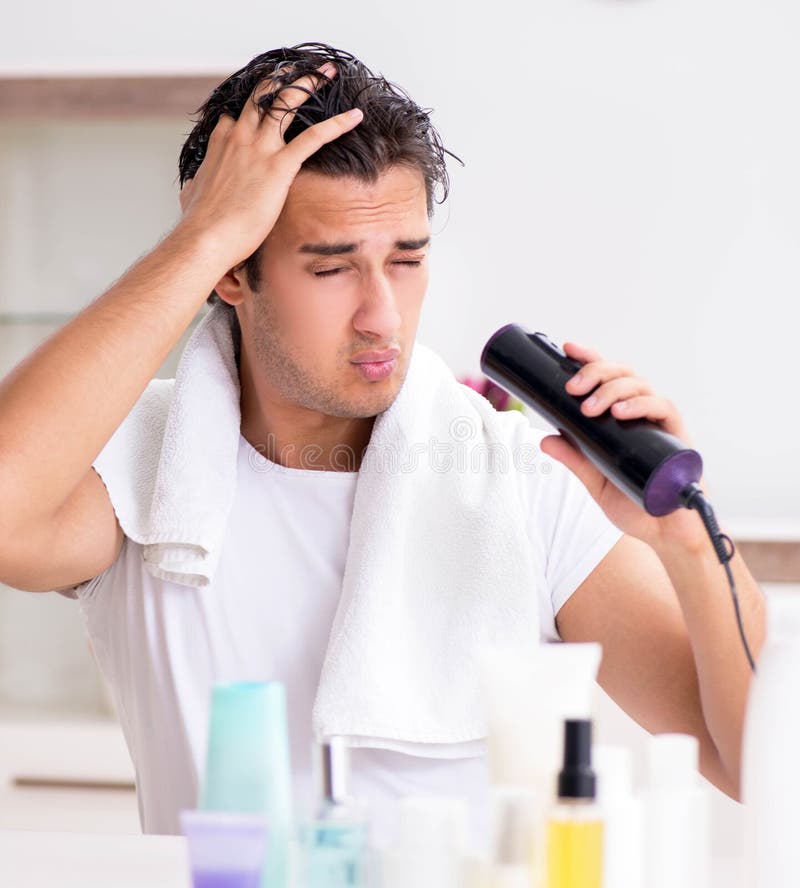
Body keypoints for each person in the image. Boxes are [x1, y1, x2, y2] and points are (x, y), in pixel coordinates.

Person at [0, 42, 765, 844]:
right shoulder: (137, 476)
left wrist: (686, 544)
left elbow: (755, 767)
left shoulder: (519, 481)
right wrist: (200, 240)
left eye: (406, 261)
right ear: (231, 274)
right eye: (331, 269)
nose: (383, 317)